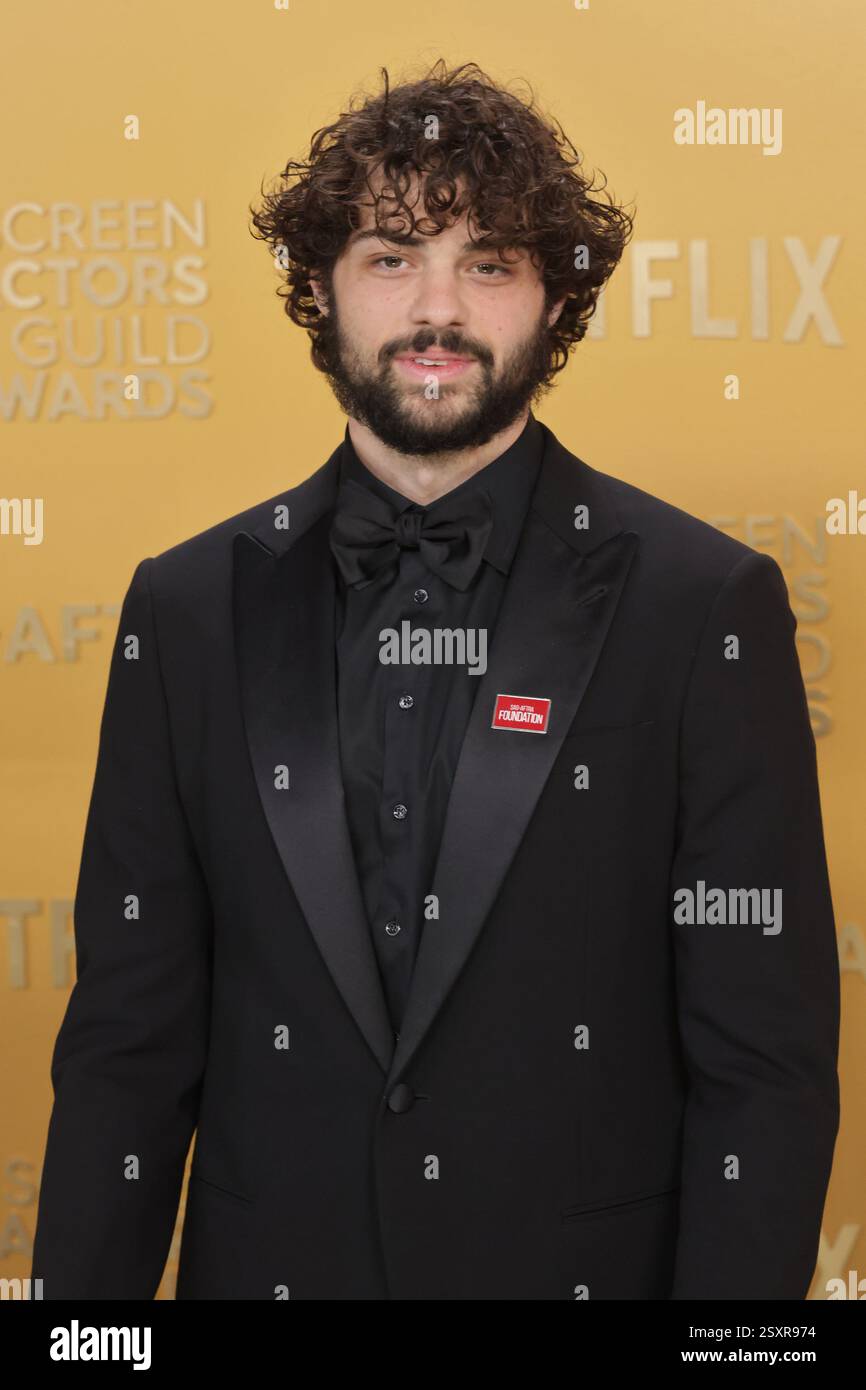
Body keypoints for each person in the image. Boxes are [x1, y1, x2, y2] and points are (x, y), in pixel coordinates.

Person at [31, 59, 839, 1300]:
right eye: (392, 255)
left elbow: (762, 1066)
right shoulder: (186, 610)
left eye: (490, 262)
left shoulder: (702, 606)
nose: (437, 309)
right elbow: (127, 1050)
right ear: (319, 288)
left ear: (553, 304)